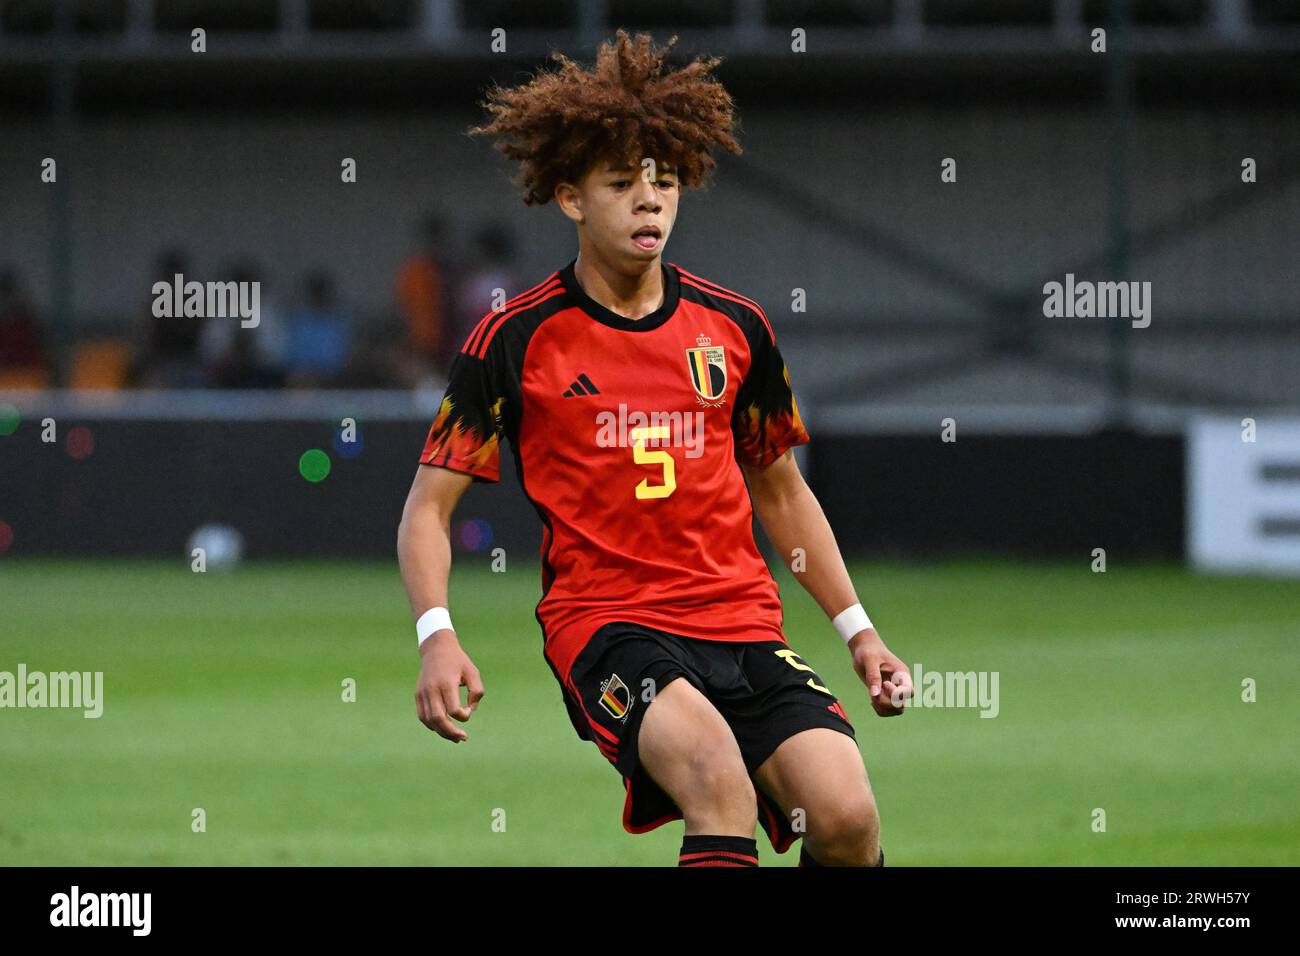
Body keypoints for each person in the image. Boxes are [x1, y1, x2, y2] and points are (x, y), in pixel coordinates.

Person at [397, 30, 912, 868]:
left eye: (666, 184)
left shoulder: (737, 329)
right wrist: (437, 634)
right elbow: (429, 505)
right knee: (718, 782)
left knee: (847, 818)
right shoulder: (514, 337)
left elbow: (781, 493)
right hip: (607, 625)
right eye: (623, 185)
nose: (651, 203)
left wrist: (859, 632)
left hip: (740, 621)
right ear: (570, 198)